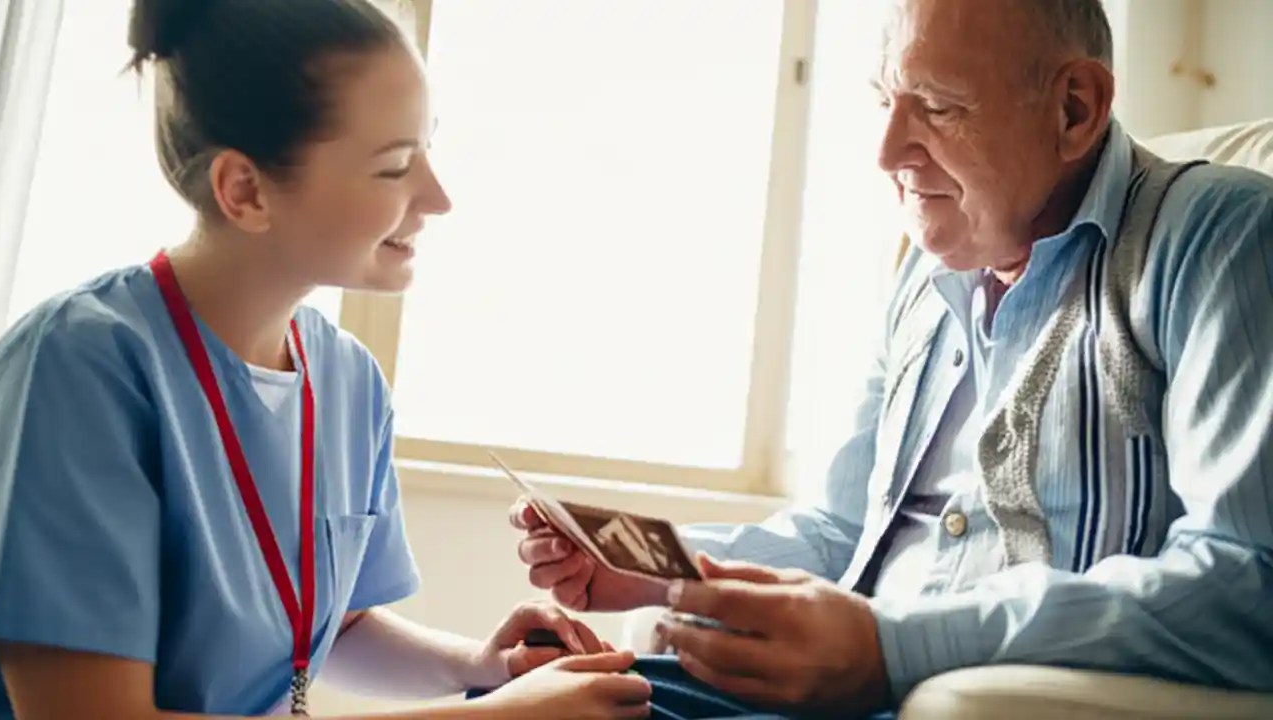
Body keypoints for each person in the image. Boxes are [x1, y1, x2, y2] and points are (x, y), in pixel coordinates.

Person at [512, 0, 1273, 717]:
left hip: (963, 699)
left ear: (1074, 109)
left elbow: (1247, 581)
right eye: (885, 99)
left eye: (938, 107)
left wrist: (889, 646)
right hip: (826, 696)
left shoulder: (1218, 238)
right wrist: (661, 568)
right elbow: (848, 531)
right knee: (527, 701)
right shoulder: (927, 272)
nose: (885, 153)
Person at [0, 0, 653, 718]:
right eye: (394, 167)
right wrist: (498, 716)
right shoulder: (80, 367)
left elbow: (325, 628)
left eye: (427, 152)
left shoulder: (348, 381)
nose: (438, 198)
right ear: (245, 191)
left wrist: (486, 666)